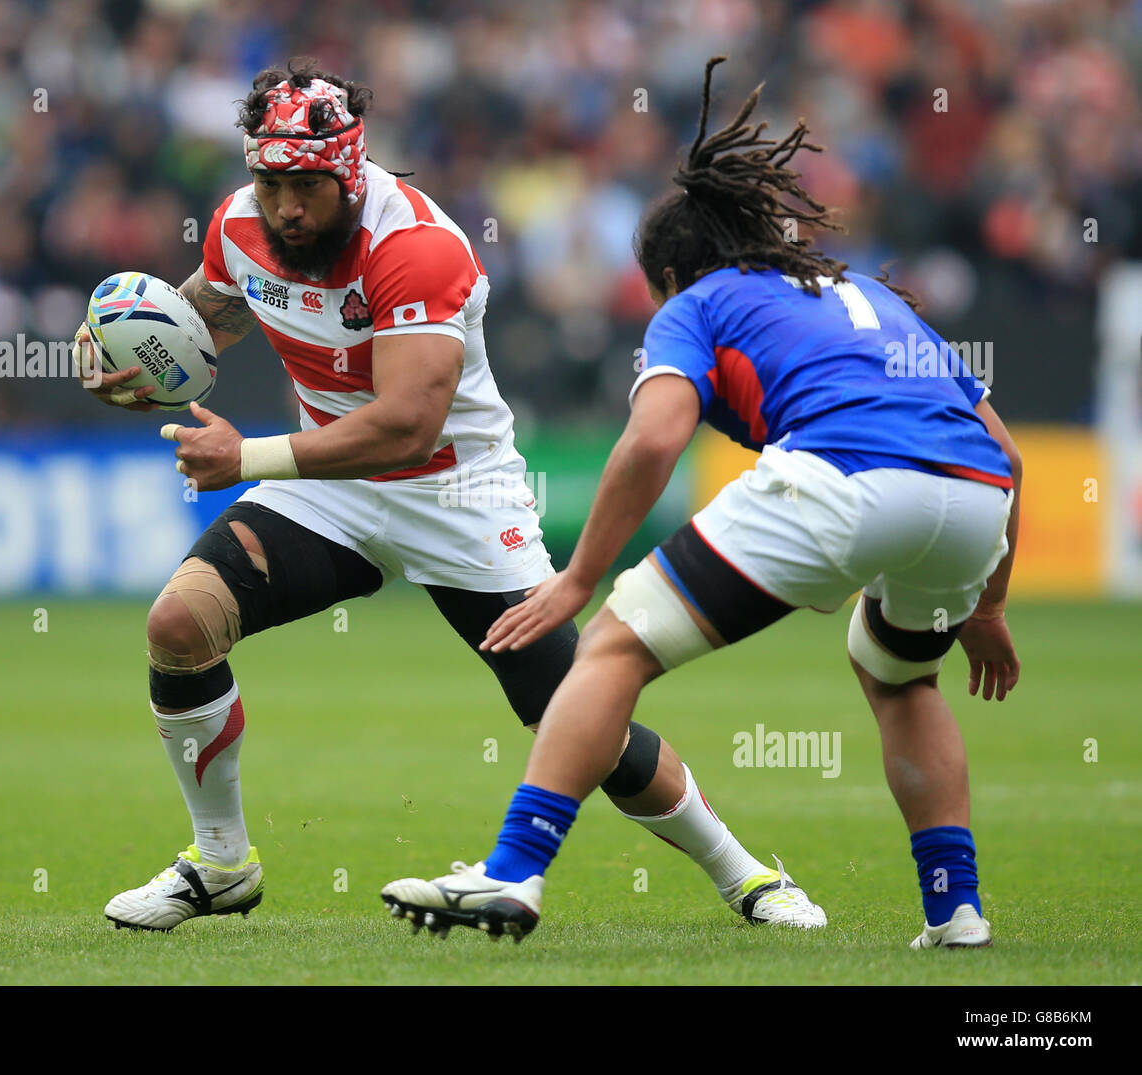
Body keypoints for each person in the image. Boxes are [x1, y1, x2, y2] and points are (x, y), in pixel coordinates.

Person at [77, 58, 825, 932]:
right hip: (329, 490)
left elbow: (409, 426)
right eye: (268, 179)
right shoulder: (242, 226)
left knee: (569, 706)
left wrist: (247, 458)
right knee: (179, 624)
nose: (284, 205)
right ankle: (221, 863)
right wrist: (135, 359)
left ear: (349, 172)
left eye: (305, 185)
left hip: (455, 492)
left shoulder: (418, 249)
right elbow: (218, 309)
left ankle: (747, 876)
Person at [381, 57, 1021, 949]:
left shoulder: (700, 301)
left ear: (671, 274)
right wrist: (986, 602)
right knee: (900, 673)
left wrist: (576, 580)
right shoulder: (873, 295)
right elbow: (1007, 451)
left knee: (609, 646)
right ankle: (956, 912)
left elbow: (651, 440)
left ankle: (514, 871)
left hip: (842, 477)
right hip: (973, 502)